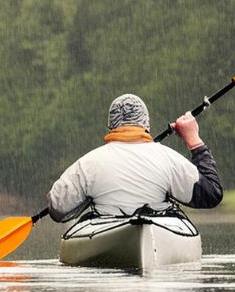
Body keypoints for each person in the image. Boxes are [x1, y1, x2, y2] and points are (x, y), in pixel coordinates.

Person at [47, 93, 223, 222]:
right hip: (158, 230)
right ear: (146, 125)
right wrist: (193, 139)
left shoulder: (89, 163)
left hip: (104, 231)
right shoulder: (167, 159)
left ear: (111, 126)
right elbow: (212, 193)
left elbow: (57, 208)